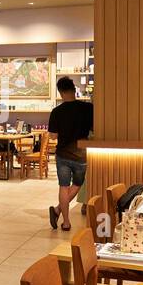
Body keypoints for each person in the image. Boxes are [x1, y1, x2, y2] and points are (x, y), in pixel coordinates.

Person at [47, 76, 93, 231]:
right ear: (74, 90)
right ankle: (57, 210)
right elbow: (95, 128)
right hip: (81, 154)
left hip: (63, 155)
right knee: (77, 184)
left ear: (60, 92)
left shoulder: (57, 111)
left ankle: (65, 221)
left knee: (63, 186)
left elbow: (53, 136)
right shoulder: (88, 108)